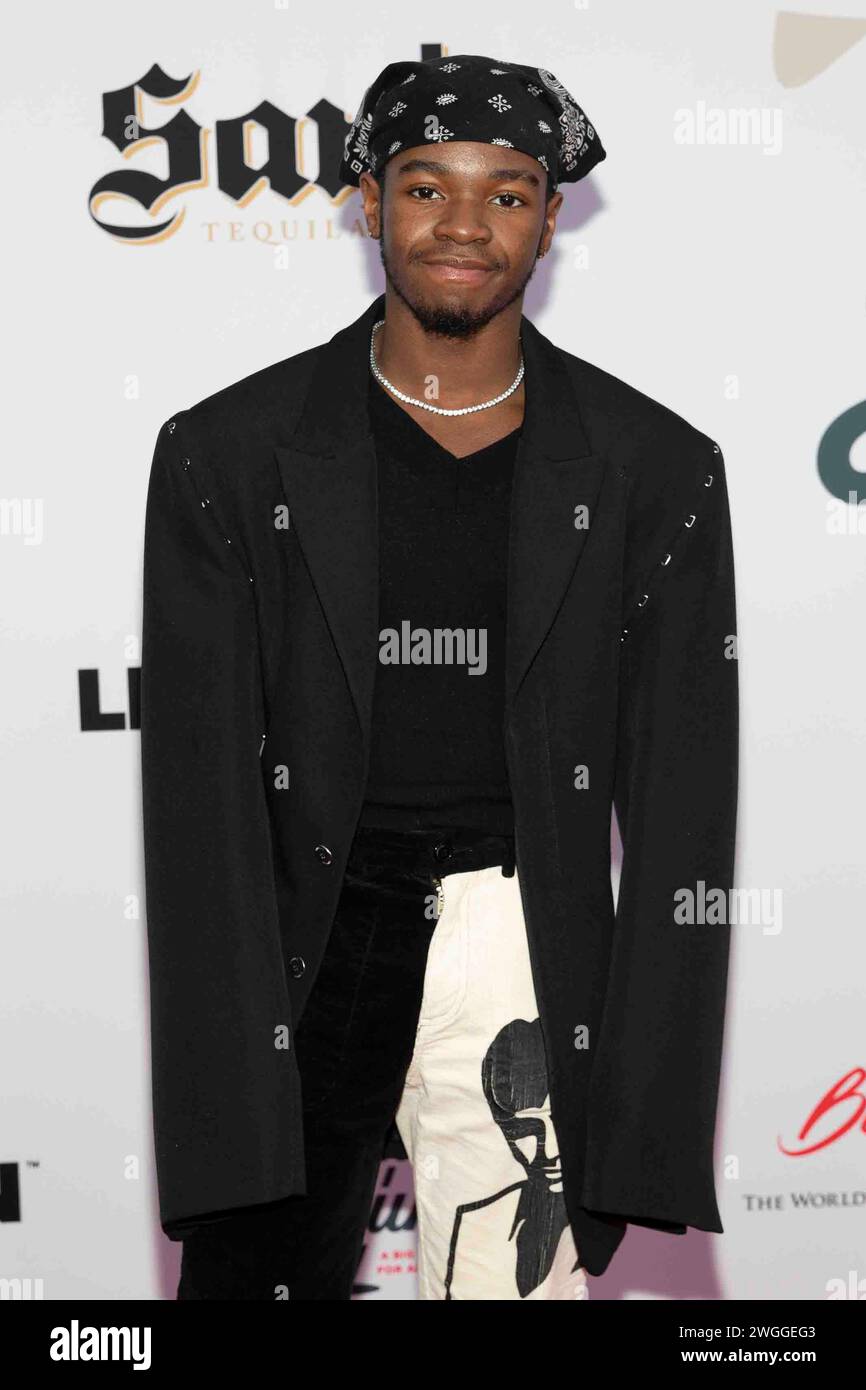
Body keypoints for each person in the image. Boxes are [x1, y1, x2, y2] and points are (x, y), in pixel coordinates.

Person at [140, 53, 739, 1301]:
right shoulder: (228, 455)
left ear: (549, 218)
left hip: (516, 936)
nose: (464, 225)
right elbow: (195, 800)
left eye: (507, 193)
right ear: (369, 202)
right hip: (309, 933)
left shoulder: (653, 472)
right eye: (426, 186)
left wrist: (640, 1096)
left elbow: (685, 812)